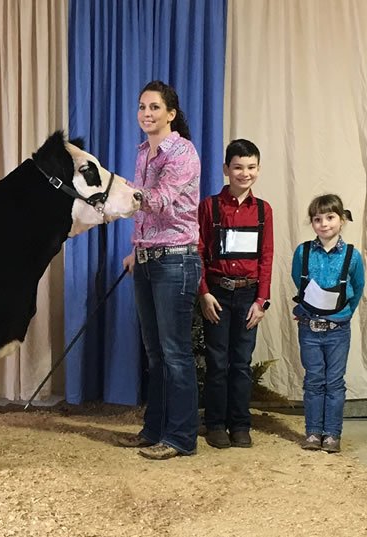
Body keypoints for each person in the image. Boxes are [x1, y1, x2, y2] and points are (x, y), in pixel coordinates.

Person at [116, 80, 202, 460]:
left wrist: (118, 193)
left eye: (154, 107)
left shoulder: (182, 152)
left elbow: (161, 200)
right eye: (142, 107)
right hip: (149, 259)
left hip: (176, 260)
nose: (146, 113)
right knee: (155, 353)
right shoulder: (143, 152)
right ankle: (154, 430)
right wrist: (136, 249)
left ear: (171, 113)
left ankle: (181, 438)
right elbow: (144, 216)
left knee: (175, 354)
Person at [198, 139, 273, 449]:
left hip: (248, 295)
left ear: (258, 169)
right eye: (238, 167)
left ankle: (240, 424)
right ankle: (215, 423)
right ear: (226, 169)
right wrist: (204, 293)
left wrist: (261, 301)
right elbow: (199, 251)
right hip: (217, 293)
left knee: (241, 363)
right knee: (217, 362)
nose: (245, 173)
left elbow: (266, 256)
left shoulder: (263, 210)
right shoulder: (209, 206)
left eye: (251, 167)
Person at [292, 194, 364, 453]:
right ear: (312, 223)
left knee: (334, 381)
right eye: (317, 219)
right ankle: (313, 432)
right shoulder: (303, 252)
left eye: (330, 217)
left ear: (341, 219)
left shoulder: (352, 256)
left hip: (337, 330)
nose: (324, 224)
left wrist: (343, 315)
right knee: (313, 380)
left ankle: (332, 434)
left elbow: (358, 287)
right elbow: (298, 280)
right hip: (309, 327)